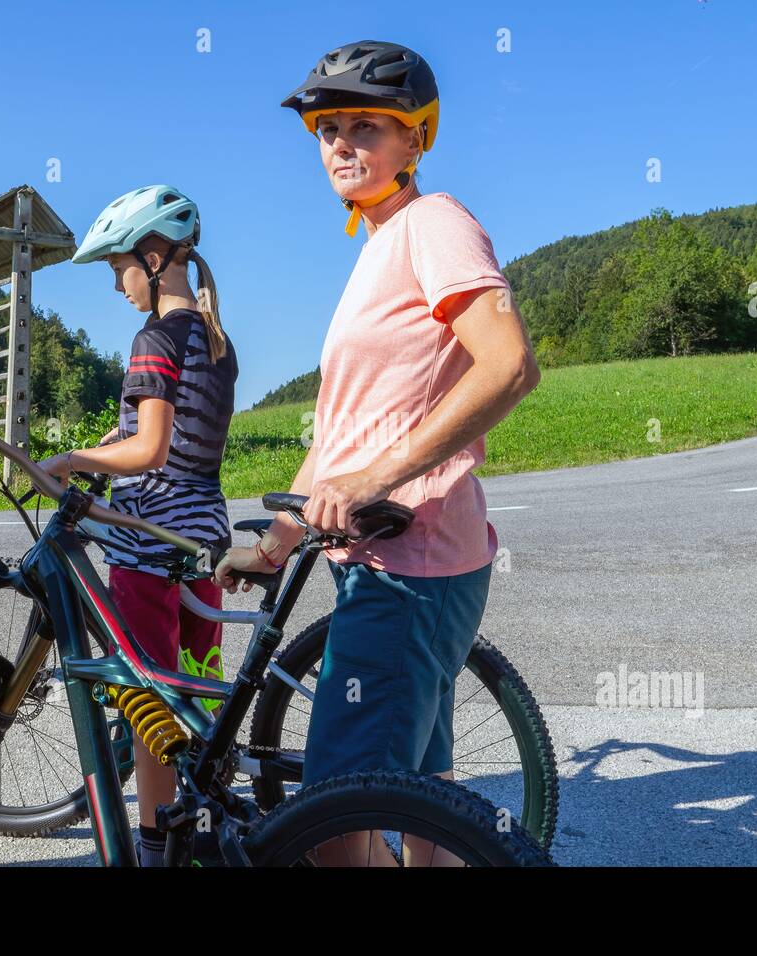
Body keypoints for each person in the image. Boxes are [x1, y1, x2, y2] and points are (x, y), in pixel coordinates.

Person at [212, 40, 541, 865]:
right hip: (390, 552)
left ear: (415, 140)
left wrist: (377, 478)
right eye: (328, 129)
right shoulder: (379, 247)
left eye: (366, 126)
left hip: (410, 556)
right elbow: (346, 432)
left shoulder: (436, 223)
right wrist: (284, 535)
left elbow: (510, 367)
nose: (341, 145)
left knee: (334, 808)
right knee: (425, 781)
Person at [39, 185, 237, 867]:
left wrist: (67, 459)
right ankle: (203, 823)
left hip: (150, 540)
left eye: (117, 266)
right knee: (194, 689)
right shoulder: (214, 337)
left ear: (153, 257)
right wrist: (101, 448)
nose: (117, 284)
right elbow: (154, 433)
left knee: (148, 705)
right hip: (202, 537)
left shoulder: (154, 335)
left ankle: (156, 853)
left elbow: (149, 450)